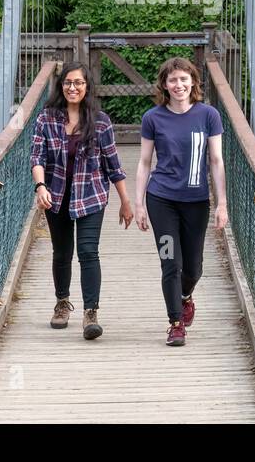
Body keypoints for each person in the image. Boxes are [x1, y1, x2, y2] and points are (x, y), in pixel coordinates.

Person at [30, 62, 133, 340]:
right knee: (62, 252)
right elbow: (37, 157)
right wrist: (40, 186)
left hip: (91, 195)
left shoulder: (100, 121)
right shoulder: (46, 118)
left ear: (87, 87)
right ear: (60, 86)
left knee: (88, 252)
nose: (72, 88)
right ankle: (62, 302)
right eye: (67, 83)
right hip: (56, 195)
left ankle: (91, 313)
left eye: (78, 83)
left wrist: (125, 201)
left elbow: (113, 165)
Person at [134, 57, 228, 346]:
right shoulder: (153, 118)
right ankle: (175, 323)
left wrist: (222, 202)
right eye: (172, 80)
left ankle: (186, 296)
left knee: (194, 268)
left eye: (183, 79)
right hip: (161, 199)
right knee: (170, 262)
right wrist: (139, 204)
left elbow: (215, 160)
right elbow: (144, 162)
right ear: (164, 84)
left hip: (196, 201)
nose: (178, 85)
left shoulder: (208, 115)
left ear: (193, 82)